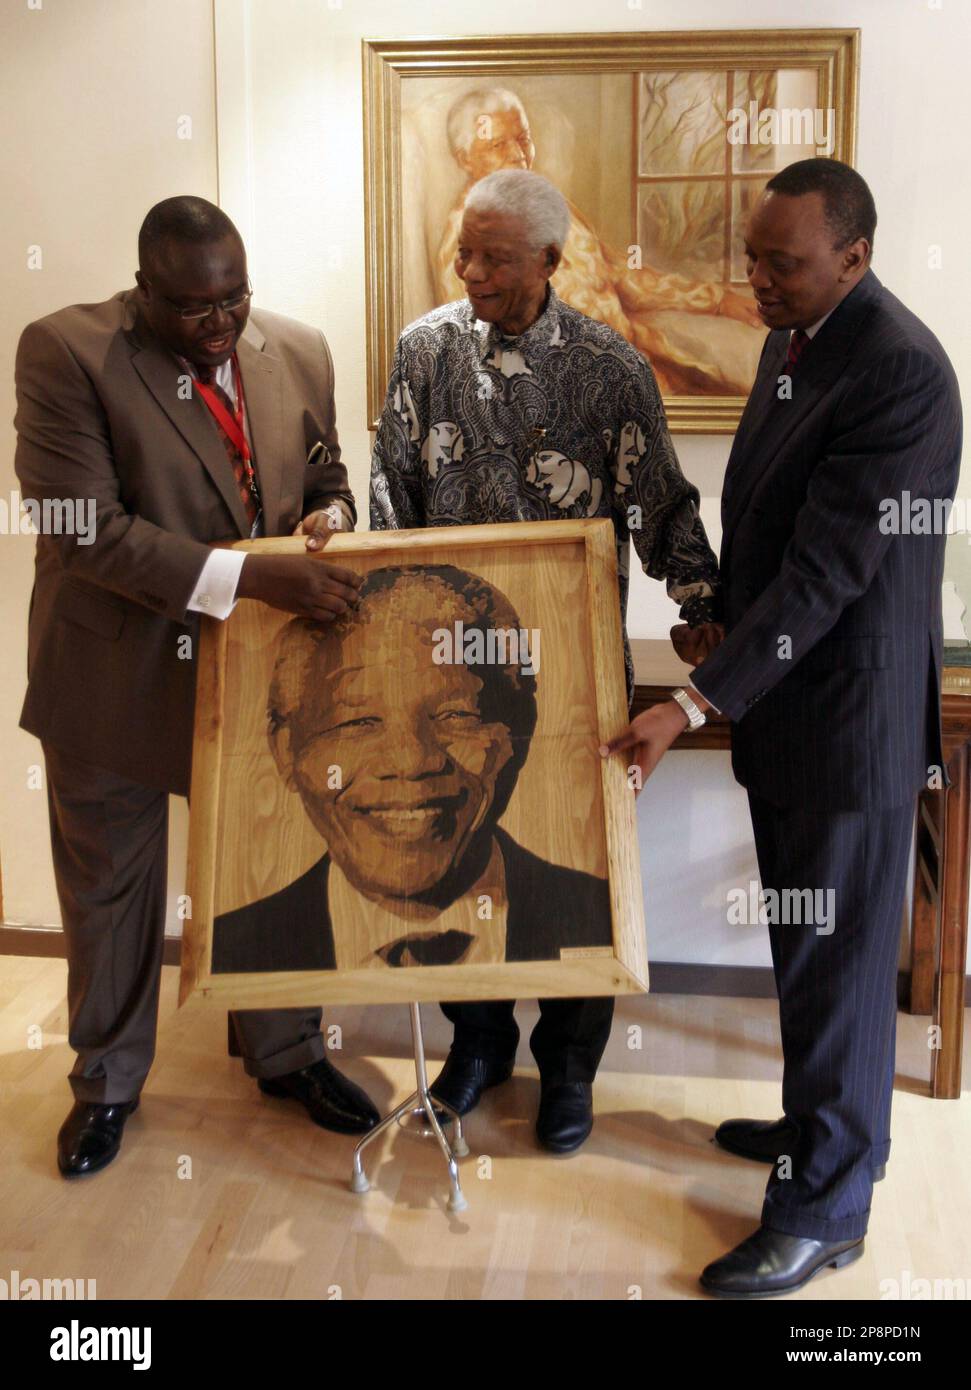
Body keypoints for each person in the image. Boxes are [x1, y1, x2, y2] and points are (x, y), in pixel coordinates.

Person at [603, 158, 962, 1296]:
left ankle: (826, 1209)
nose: (756, 280)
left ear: (851, 256)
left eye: (783, 263)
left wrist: (690, 702)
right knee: (809, 956)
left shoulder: (898, 370)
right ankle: (816, 1126)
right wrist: (723, 626)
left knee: (846, 967)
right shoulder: (791, 338)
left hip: (843, 726)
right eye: (751, 258)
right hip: (789, 709)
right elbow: (766, 522)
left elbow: (826, 573)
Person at [15, 195, 380, 1178]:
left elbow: (325, 471)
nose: (220, 326)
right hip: (111, 672)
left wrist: (331, 513)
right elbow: (81, 526)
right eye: (191, 309)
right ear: (143, 292)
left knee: (269, 872)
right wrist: (254, 575)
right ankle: (106, 1084)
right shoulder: (64, 352)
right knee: (111, 889)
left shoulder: (296, 347)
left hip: (265, 672)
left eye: (234, 299)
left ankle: (285, 1051)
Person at [371, 167, 722, 1155]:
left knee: (574, 871)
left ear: (548, 262)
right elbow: (389, 492)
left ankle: (570, 1066)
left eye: (493, 254)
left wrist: (701, 604)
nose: (469, 267)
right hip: (445, 669)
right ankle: (475, 1047)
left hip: (572, 673)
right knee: (455, 855)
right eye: (463, 248)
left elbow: (659, 499)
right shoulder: (423, 350)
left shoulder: (609, 368)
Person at [212, 565, 611, 971]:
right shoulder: (232, 948)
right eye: (357, 722)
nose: (411, 761)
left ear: (519, 731)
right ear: (285, 750)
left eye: (456, 716)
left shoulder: (599, 918)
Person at [433, 86, 764, 393]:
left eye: (524, 139)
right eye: (498, 145)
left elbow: (619, 275)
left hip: (629, 363)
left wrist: (717, 300)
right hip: (574, 397)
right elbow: (485, 358)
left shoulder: (547, 206)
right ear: (465, 160)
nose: (519, 155)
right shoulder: (463, 245)